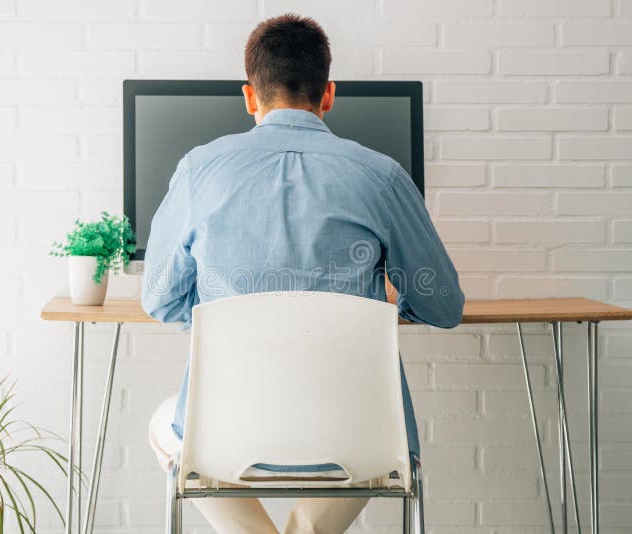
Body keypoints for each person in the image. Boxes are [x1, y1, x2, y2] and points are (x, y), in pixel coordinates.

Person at [142, 13, 464, 534]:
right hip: (362, 438)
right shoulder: (381, 175)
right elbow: (444, 306)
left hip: (225, 436)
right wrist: (385, 307)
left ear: (250, 96)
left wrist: (220, 308)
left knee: (165, 425)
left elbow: (158, 298)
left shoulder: (198, 170)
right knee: (370, 437)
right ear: (329, 94)